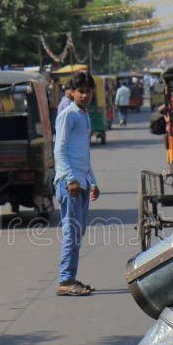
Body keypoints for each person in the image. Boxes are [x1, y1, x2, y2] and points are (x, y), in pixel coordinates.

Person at [53, 71, 100, 296]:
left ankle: (70, 276)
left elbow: (83, 154)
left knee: (77, 232)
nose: (85, 95)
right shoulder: (67, 115)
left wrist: (92, 181)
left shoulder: (84, 116)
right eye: (81, 91)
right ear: (72, 92)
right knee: (71, 232)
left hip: (81, 182)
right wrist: (70, 179)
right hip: (69, 183)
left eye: (88, 91)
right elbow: (59, 151)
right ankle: (65, 279)